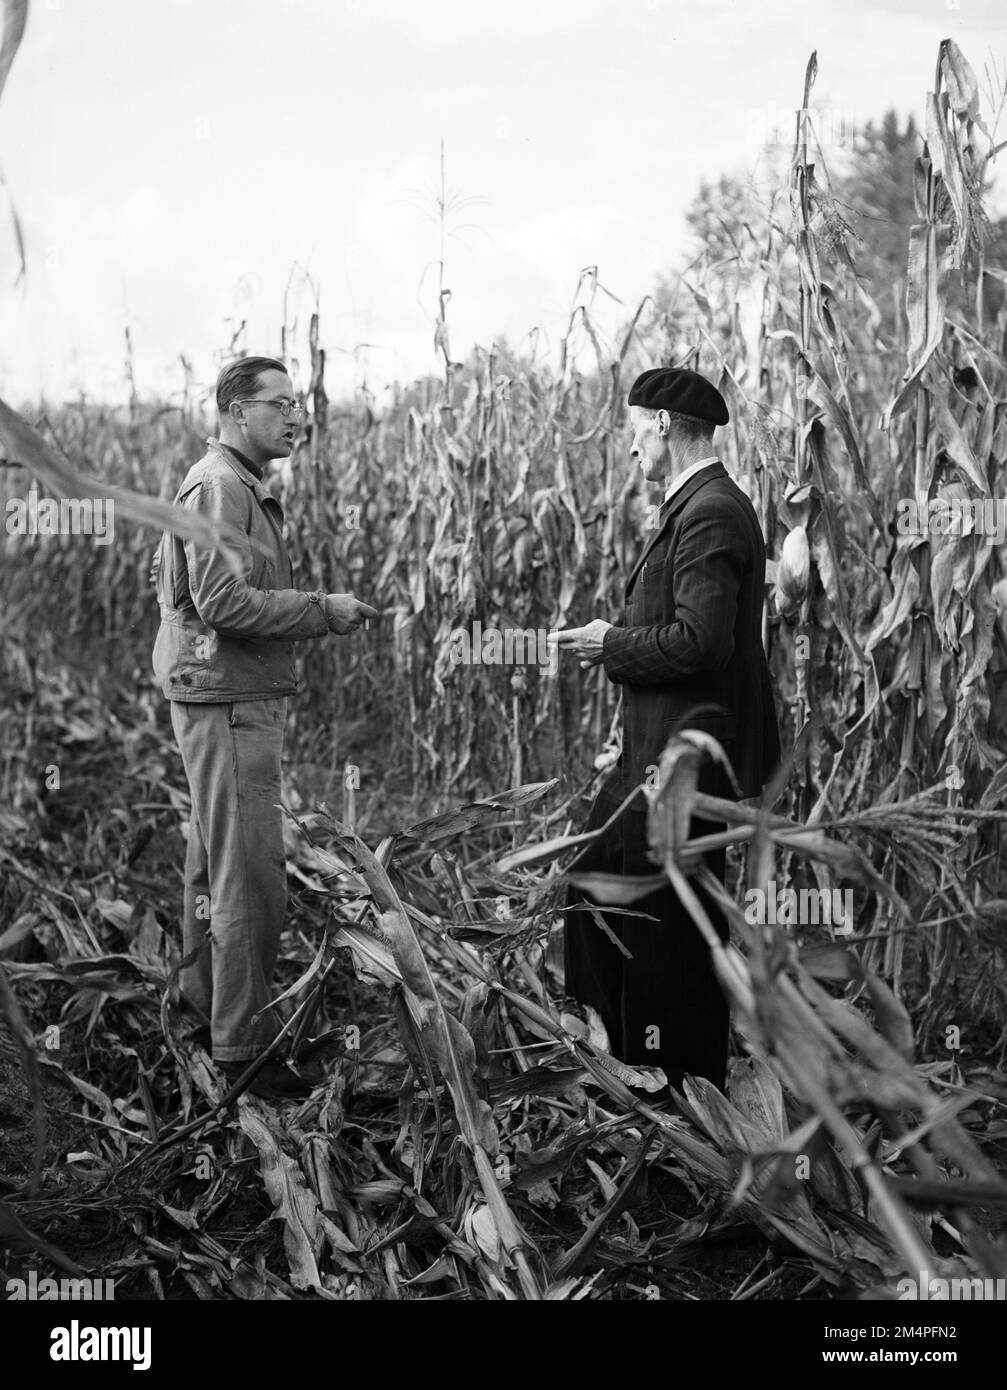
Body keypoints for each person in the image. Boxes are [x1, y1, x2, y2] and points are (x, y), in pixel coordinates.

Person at [151, 356, 377, 1098]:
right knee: (248, 875)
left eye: (296, 404)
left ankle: (200, 1009)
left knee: (211, 859)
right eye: (280, 404)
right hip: (226, 699)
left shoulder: (233, 484)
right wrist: (323, 610)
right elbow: (221, 601)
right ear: (236, 410)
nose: (295, 417)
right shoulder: (220, 486)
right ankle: (244, 1049)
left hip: (221, 691)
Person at [550, 365, 780, 1093]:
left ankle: (677, 1075)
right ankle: (621, 1043)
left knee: (665, 910)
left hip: (691, 753)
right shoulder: (698, 504)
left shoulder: (710, 510)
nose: (627, 450)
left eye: (630, 431)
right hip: (660, 743)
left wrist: (607, 643)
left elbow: (699, 642)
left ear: (658, 425)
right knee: (602, 875)